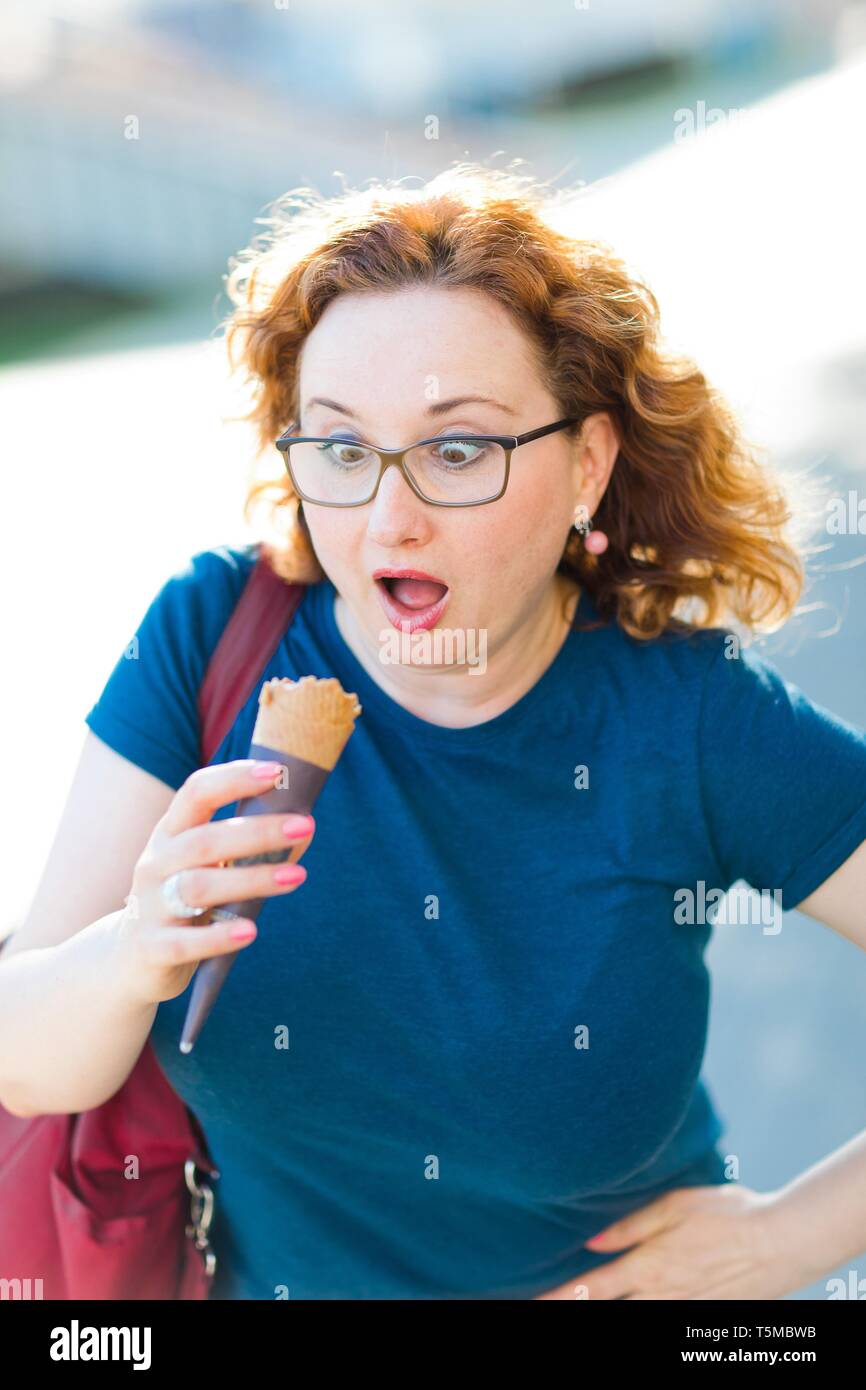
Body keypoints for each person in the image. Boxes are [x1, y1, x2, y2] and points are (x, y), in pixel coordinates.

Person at [2, 164, 866, 1301]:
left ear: (586, 465)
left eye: (458, 450)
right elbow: (29, 1063)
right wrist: (134, 947)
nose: (387, 516)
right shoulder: (211, 637)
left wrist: (790, 1237)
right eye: (342, 450)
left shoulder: (690, 723)